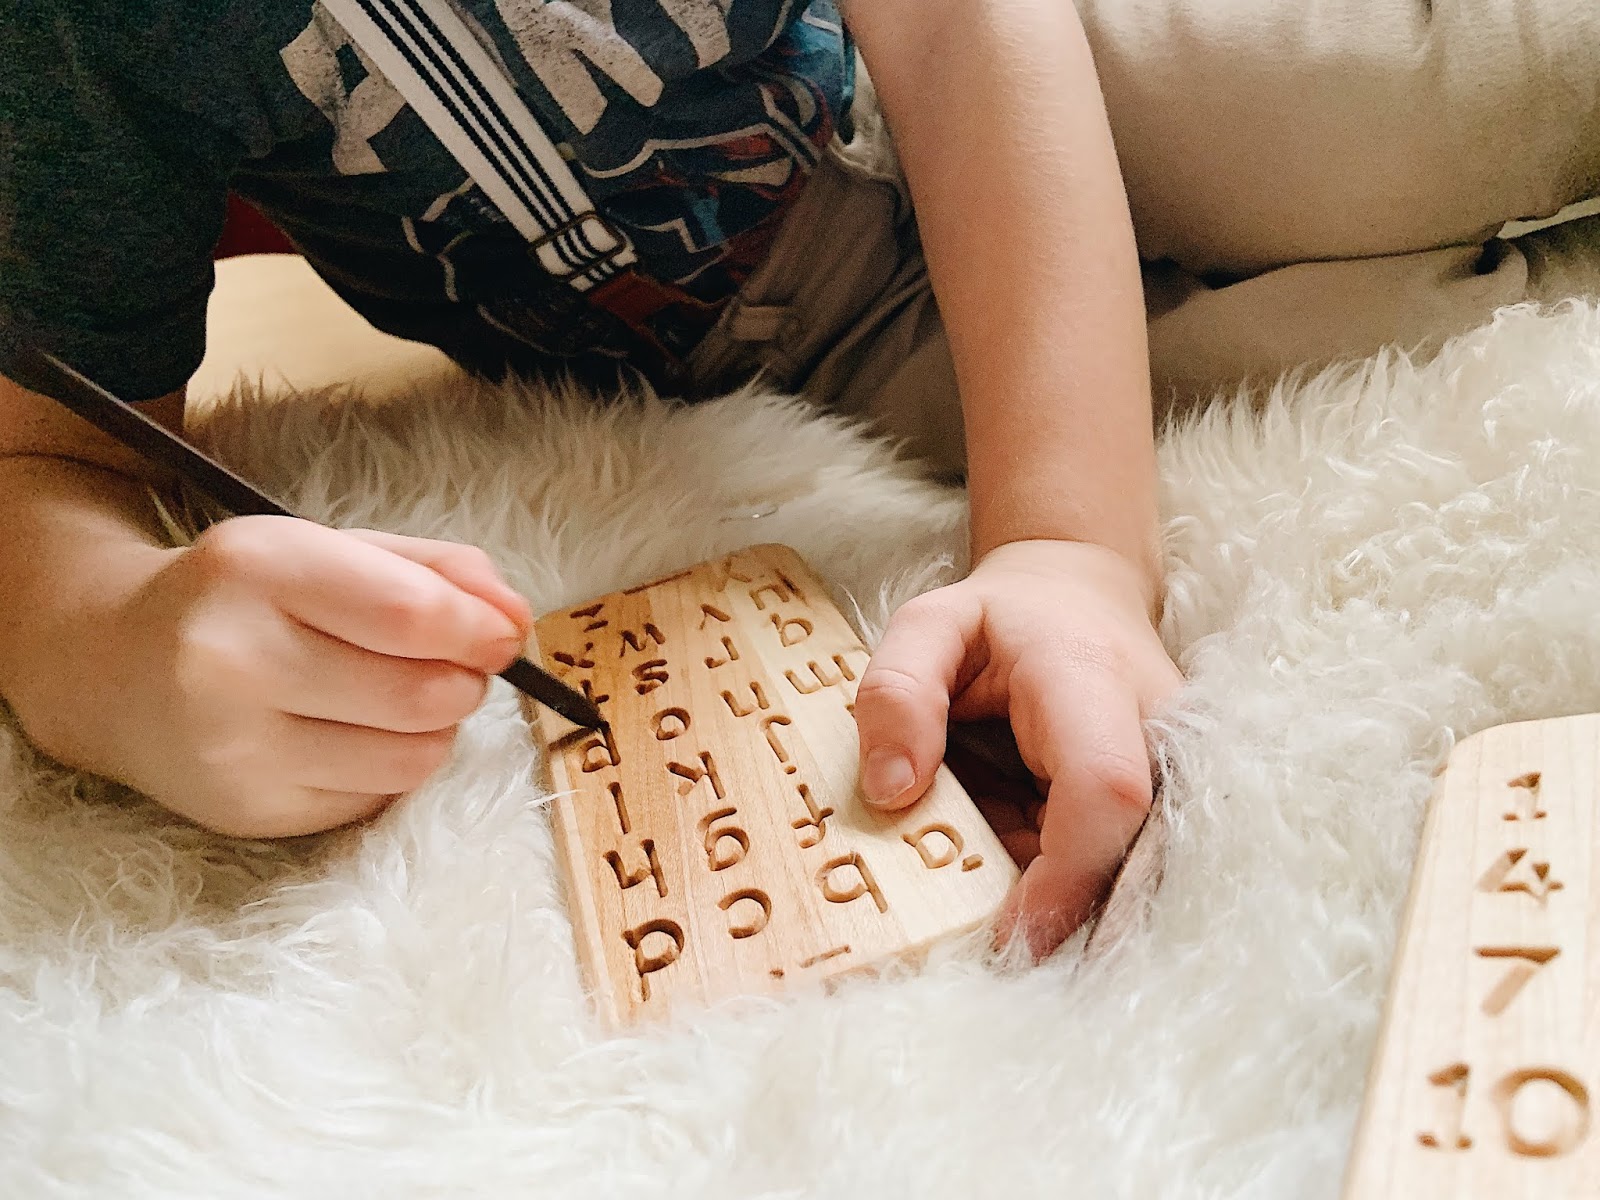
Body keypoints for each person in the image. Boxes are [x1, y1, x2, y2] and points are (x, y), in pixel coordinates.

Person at [3, 0, 1598, 959]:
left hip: (1035, 64)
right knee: (1495, 327)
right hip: (783, 342)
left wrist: (1069, 540)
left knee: (1465, 96)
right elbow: (43, 454)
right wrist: (121, 656)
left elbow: (967, 32)